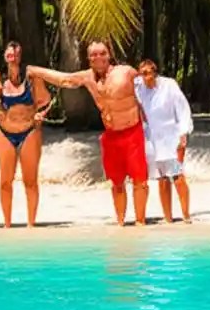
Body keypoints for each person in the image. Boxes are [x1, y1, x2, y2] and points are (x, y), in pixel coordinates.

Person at [28, 41, 149, 226]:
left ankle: (140, 222)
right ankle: (121, 222)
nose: (97, 57)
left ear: (109, 55)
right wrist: (36, 71)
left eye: (102, 53)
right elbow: (64, 79)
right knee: (116, 182)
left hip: (132, 132)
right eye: (93, 54)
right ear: (88, 58)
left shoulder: (126, 72)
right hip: (111, 134)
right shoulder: (87, 78)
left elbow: (149, 89)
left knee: (139, 180)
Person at [0, 41, 52, 228]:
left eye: (16, 54)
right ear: (5, 56)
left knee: (30, 180)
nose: (13, 57)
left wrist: (41, 114)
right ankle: (7, 224)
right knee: (5, 181)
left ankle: (31, 223)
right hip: (5, 132)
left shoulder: (32, 78)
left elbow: (46, 101)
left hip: (29, 131)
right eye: (9, 54)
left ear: (21, 56)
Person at [134, 59, 193, 223]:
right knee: (161, 179)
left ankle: (186, 215)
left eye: (148, 73)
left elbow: (182, 108)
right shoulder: (139, 87)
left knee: (177, 175)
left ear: (155, 72)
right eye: (142, 73)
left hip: (172, 138)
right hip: (153, 140)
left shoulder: (169, 85)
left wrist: (183, 133)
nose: (146, 77)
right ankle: (168, 218)